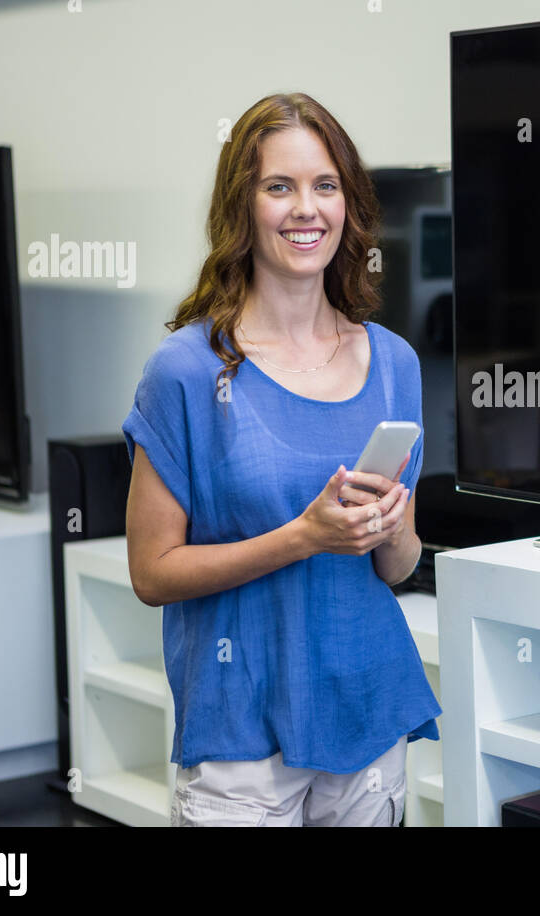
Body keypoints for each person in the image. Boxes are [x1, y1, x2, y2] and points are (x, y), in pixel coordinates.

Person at [121, 92, 439, 826]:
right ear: (244, 206)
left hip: (367, 712)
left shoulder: (394, 362)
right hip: (241, 739)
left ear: (349, 205)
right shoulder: (188, 371)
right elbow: (150, 573)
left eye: (325, 185)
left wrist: (387, 529)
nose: (307, 209)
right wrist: (305, 536)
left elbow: (398, 567)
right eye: (280, 187)